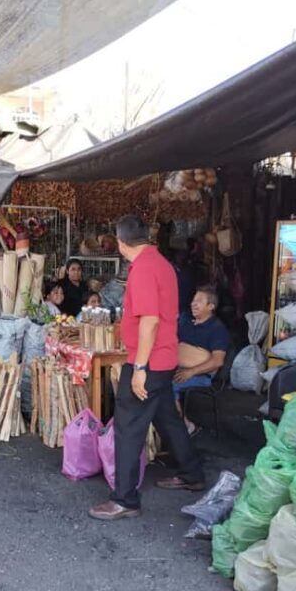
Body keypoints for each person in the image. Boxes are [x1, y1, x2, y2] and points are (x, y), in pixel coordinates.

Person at [89, 215, 204, 521]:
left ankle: (125, 499)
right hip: (164, 359)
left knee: (128, 427)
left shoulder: (141, 269)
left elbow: (150, 320)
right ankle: (192, 473)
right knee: (168, 418)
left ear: (121, 242)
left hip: (149, 361)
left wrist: (139, 367)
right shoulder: (163, 263)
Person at [174, 286, 230, 435]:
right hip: (178, 369)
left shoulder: (217, 329)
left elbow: (218, 361)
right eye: (193, 300)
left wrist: (191, 372)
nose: (193, 304)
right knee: (155, 381)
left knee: (167, 387)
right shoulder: (186, 323)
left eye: (199, 301)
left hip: (200, 376)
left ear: (210, 306)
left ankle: (185, 426)